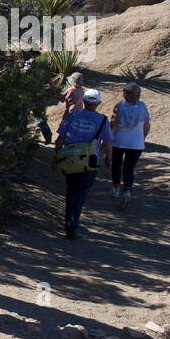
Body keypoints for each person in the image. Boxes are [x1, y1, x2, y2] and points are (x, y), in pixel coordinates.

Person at [52, 88, 113, 239]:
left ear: (84, 101)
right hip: (89, 161)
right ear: (98, 103)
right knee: (80, 193)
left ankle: (68, 222)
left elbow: (59, 139)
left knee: (71, 191)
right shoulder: (102, 120)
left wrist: (56, 156)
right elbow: (108, 142)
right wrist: (109, 158)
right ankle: (72, 225)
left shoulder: (73, 116)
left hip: (70, 159)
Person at [110, 82, 151, 207]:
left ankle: (116, 188)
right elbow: (146, 124)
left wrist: (107, 139)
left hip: (119, 140)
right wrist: (143, 137)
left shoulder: (120, 106)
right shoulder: (142, 106)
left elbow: (113, 123)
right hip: (136, 142)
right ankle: (127, 191)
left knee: (116, 164)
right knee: (129, 168)